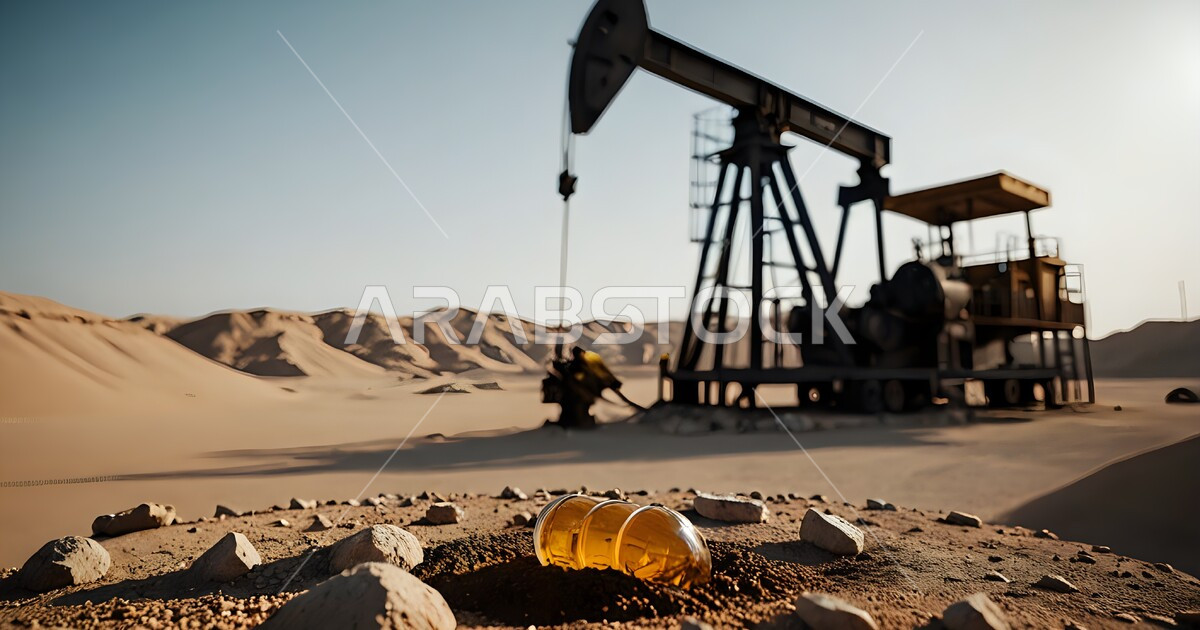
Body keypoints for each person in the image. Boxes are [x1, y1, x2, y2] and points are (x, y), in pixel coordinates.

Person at [544, 346, 624, 429]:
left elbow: (601, 374)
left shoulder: (584, 366)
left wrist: (613, 383)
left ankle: (576, 424)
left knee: (575, 410)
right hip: (576, 398)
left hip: (579, 397)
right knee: (574, 411)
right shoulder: (577, 368)